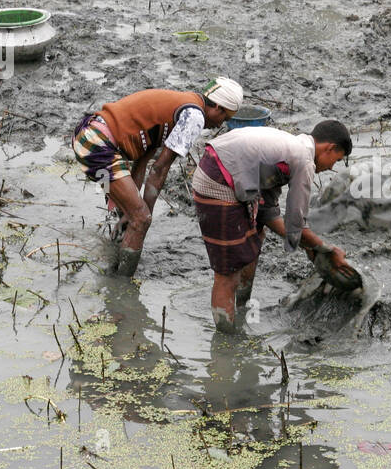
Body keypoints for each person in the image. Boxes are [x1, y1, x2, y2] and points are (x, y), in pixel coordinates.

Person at [192, 119, 353, 331]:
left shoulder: (290, 149)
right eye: (336, 159)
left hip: (225, 171)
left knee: (256, 237)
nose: (332, 167)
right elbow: (297, 226)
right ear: (329, 148)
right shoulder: (304, 161)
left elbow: (268, 211)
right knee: (227, 272)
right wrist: (326, 249)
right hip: (218, 181)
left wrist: (309, 246)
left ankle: (241, 308)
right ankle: (227, 345)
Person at [72, 79, 242, 275]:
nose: (221, 124)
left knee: (131, 213)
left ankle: (114, 262)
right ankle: (122, 287)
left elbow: (141, 162)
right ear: (218, 107)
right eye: (225, 117)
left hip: (88, 137)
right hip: (98, 146)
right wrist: (144, 217)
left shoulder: (179, 104)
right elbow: (160, 169)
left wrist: (133, 212)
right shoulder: (195, 117)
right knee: (140, 217)